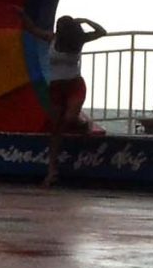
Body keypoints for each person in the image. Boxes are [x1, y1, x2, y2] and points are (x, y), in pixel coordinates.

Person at [33, 13, 107, 186]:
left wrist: (86, 20)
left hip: (74, 85)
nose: (57, 29)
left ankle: (83, 124)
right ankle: (52, 170)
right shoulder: (53, 39)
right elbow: (34, 30)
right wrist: (22, 17)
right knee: (56, 128)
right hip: (56, 87)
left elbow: (102, 32)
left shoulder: (78, 40)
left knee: (70, 118)